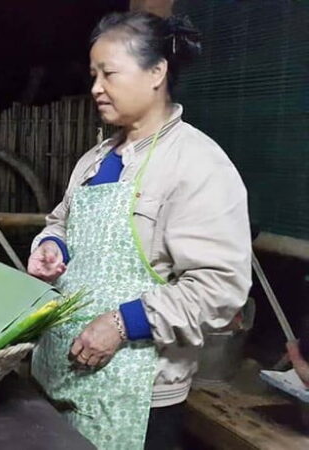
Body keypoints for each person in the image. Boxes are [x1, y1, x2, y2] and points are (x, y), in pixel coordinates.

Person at [27, 12, 252, 450]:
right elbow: (60, 222)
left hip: (137, 401)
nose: (95, 87)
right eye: (93, 74)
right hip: (57, 380)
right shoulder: (93, 161)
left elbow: (220, 287)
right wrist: (53, 246)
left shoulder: (197, 164)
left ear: (156, 72)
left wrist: (124, 322)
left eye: (108, 73)